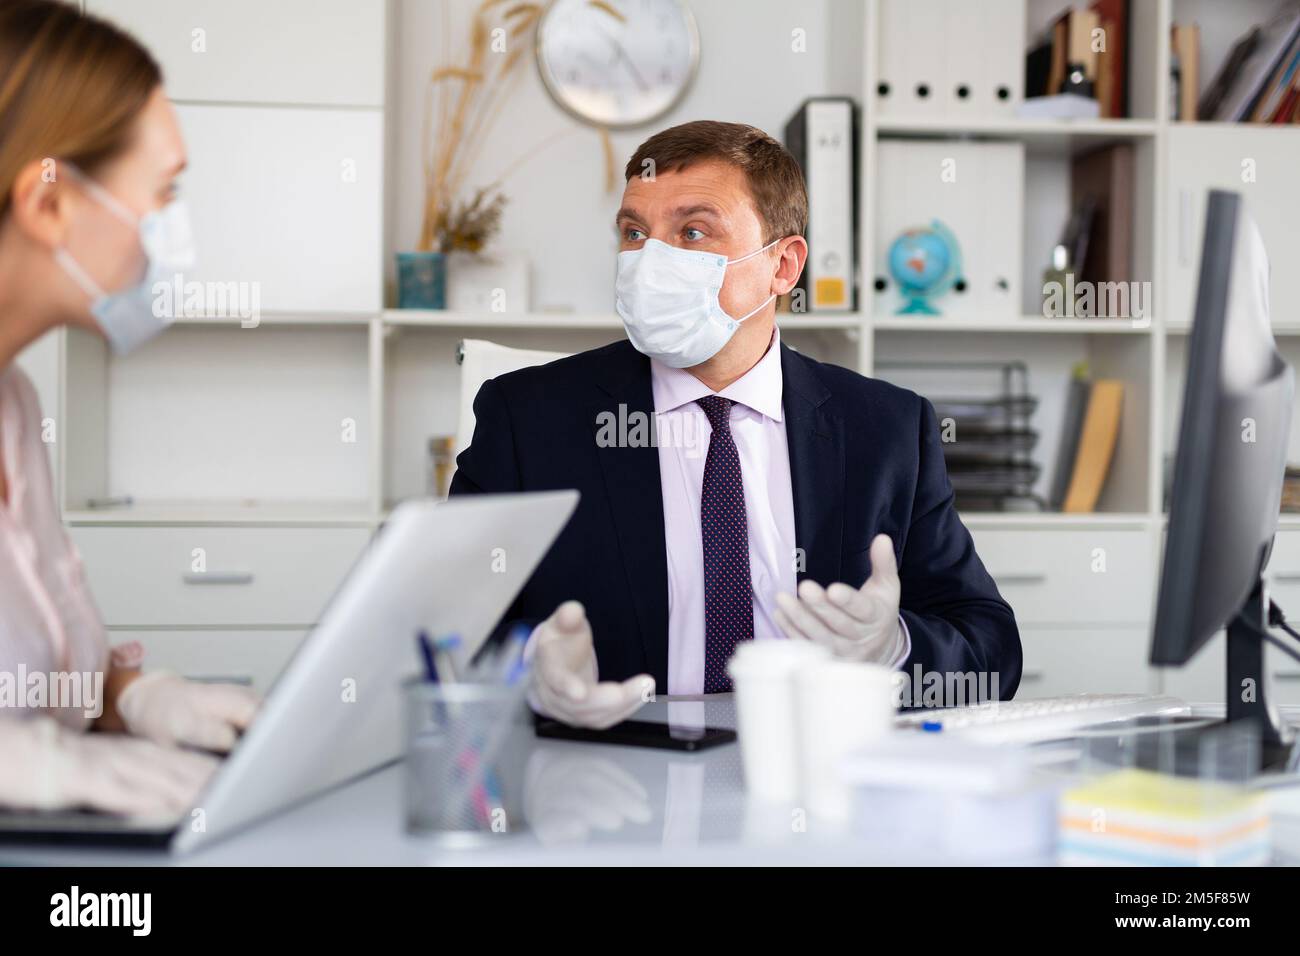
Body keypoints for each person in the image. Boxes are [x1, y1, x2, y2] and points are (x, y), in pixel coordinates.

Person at [451, 120, 1021, 729]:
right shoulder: (527, 418)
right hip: (612, 782)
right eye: (635, 233)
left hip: (815, 775)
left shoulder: (887, 428)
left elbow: (991, 648)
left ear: (783, 266)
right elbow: (440, 624)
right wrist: (526, 673)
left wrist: (893, 651)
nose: (650, 261)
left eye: (692, 232)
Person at [0, 0, 256, 815]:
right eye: (162, 191)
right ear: (48, 205)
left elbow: (37, 676)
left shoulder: (16, 403)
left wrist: (138, 697)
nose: (173, 232)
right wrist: (33, 768)